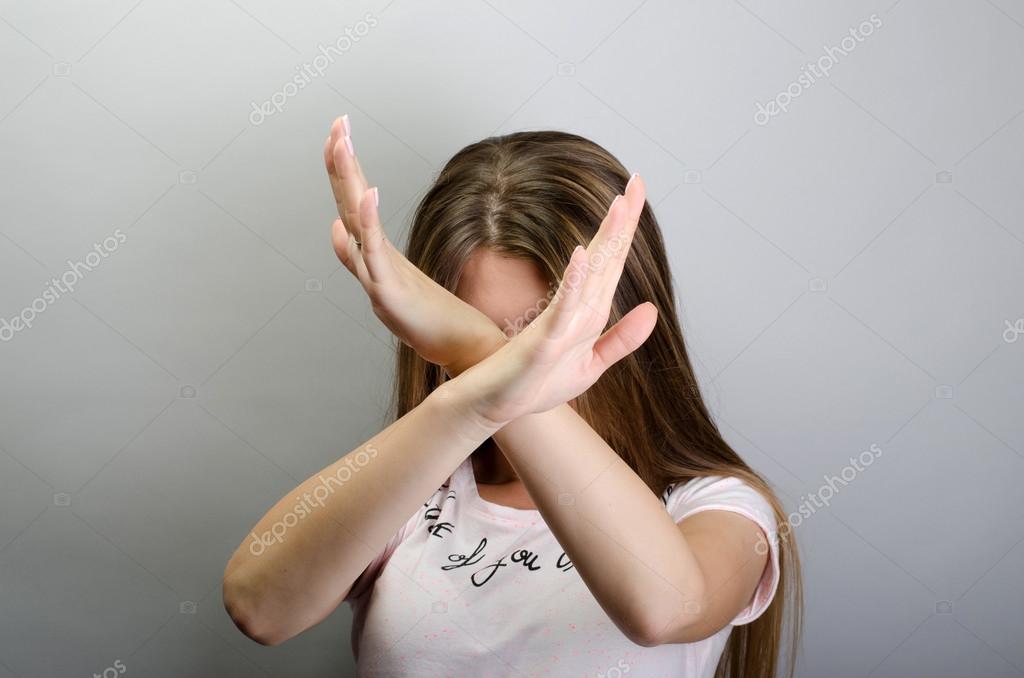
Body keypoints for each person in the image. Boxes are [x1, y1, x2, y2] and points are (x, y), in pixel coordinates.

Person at [222, 114, 802, 677]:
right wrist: (477, 389)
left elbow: (664, 610)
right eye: (484, 333)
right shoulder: (414, 489)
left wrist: (475, 351)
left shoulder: (714, 507)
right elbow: (259, 608)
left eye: (549, 333)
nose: (523, 366)